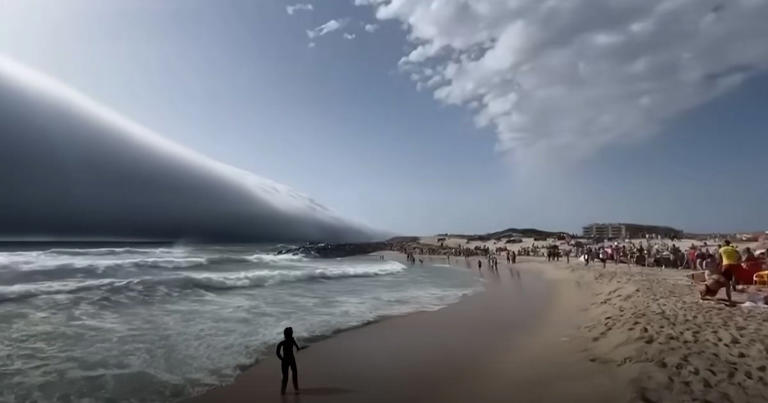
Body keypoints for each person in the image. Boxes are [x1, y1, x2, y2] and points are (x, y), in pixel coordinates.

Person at [276, 327, 308, 395]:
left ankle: (283, 390)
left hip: (285, 360)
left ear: (284, 335)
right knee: (294, 373)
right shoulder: (292, 341)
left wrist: (281, 358)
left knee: (285, 376)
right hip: (291, 359)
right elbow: (297, 348)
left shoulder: (282, 343)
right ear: (291, 334)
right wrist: (301, 348)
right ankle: (296, 389)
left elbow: (277, 353)